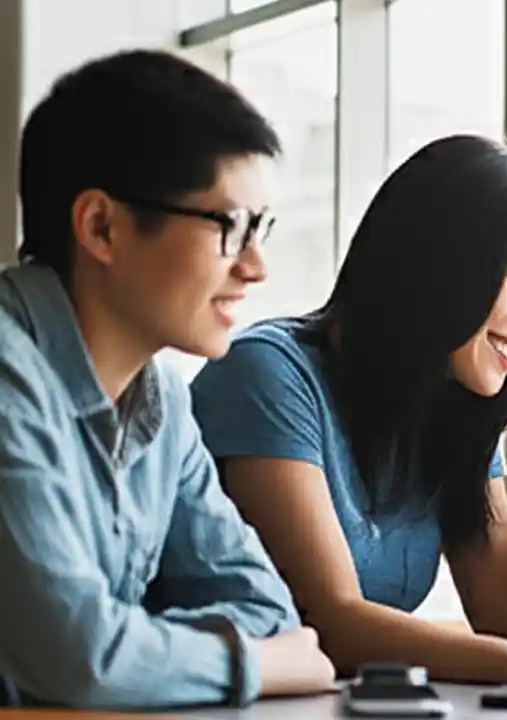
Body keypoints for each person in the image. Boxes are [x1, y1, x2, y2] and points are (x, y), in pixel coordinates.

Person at [190, 134, 507, 688]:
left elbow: (504, 604)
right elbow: (332, 621)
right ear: (437, 260)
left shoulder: (458, 410)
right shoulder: (266, 373)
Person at [0, 49, 335, 708]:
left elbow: (267, 609)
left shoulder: (162, 402)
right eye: (230, 228)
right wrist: (251, 663)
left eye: (260, 228)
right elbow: (83, 661)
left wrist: (136, 649)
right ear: (101, 226)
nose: (257, 266)